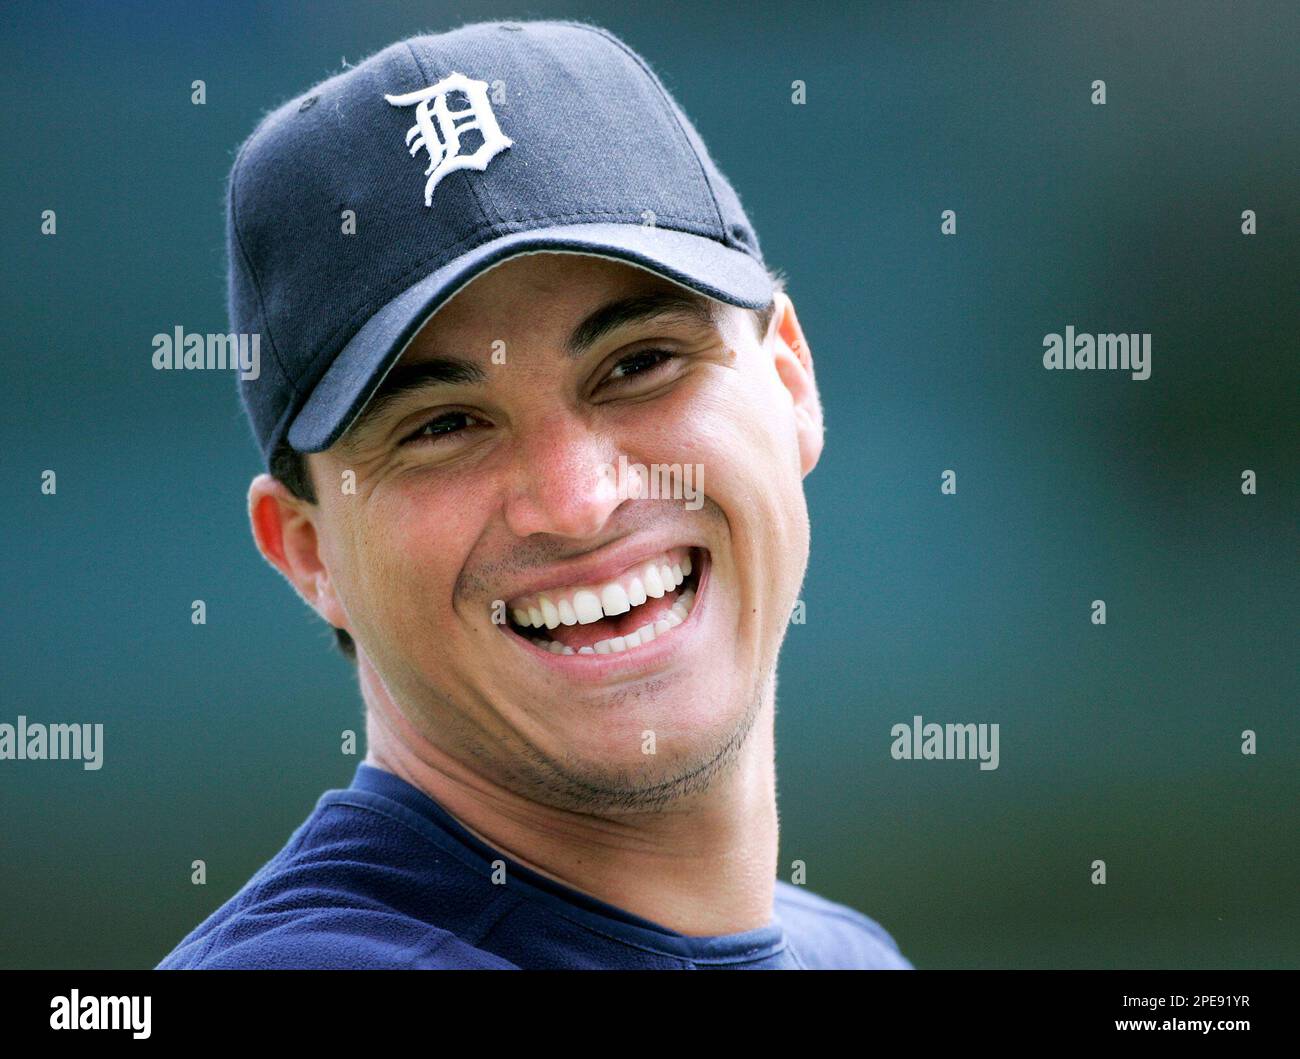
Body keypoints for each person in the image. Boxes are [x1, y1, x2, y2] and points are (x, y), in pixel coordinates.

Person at [157, 18, 912, 970]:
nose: (578, 500)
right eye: (442, 427)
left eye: (638, 363)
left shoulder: (852, 956)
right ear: (309, 552)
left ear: (792, 379)